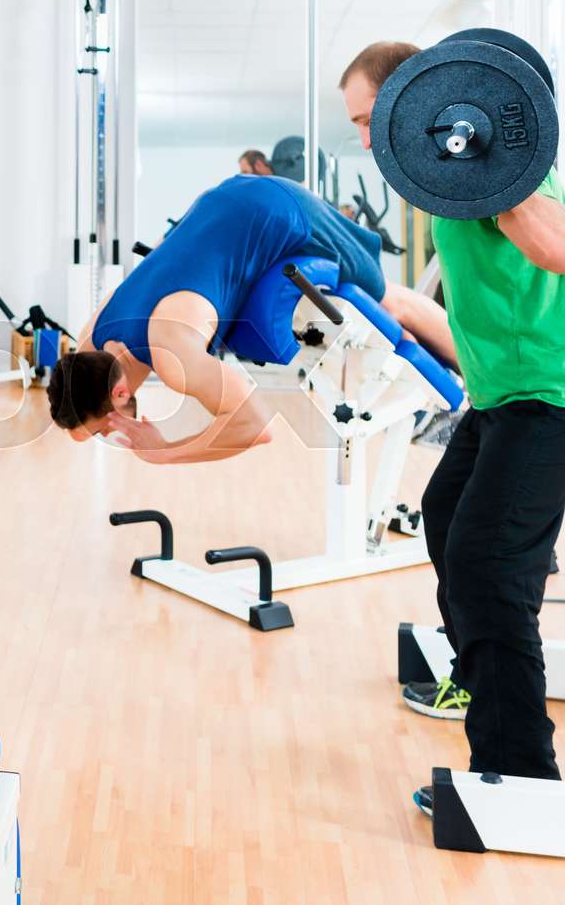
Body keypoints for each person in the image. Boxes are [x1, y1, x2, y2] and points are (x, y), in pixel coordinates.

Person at [341, 41, 565, 809]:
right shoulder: (457, 179)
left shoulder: (505, 167)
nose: (369, 138)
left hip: (551, 394)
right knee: (446, 516)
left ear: (416, 96)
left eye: (371, 117)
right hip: (506, 397)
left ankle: (522, 779)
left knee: (485, 566)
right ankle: (485, 671)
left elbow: (556, 247)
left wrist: (510, 192)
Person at [46, 172, 457, 461]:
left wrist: (163, 452)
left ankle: (479, 371)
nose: (110, 437)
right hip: (217, 204)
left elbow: (255, 427)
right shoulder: (90, 338)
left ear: (119, 396)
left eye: (103, 430)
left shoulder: (172, 352)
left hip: (276, 209)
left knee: (388, 300)